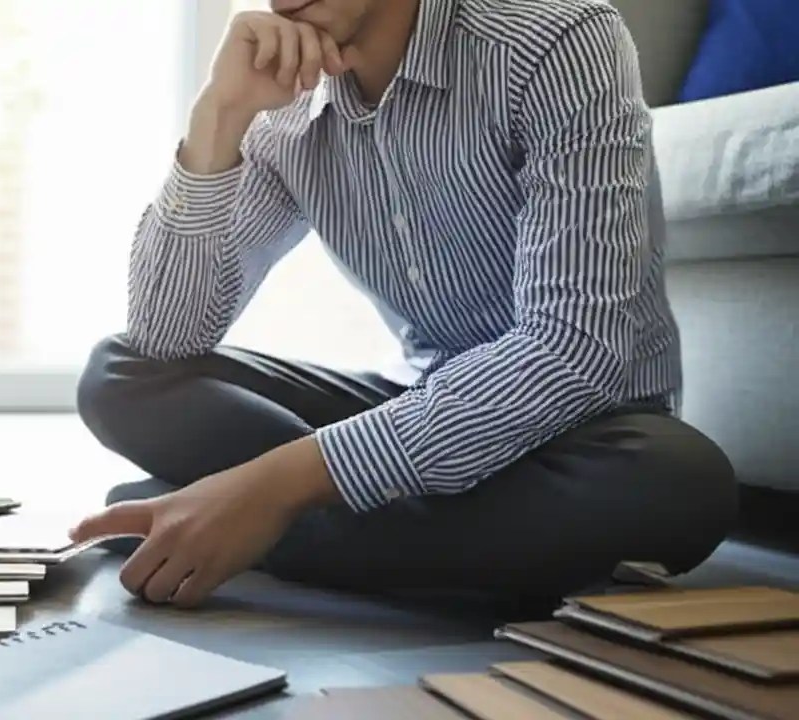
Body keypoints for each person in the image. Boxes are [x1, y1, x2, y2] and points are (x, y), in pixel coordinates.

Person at [70, 0, 738, 608]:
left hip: (582, 436)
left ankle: (233, 523)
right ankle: (373, 543)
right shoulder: (287, 110)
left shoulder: (556, 40)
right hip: (423, 410)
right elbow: (164, 334)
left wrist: (270, 488)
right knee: (122, 376)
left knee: (681, 483)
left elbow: (570, 351)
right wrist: (218, 116)